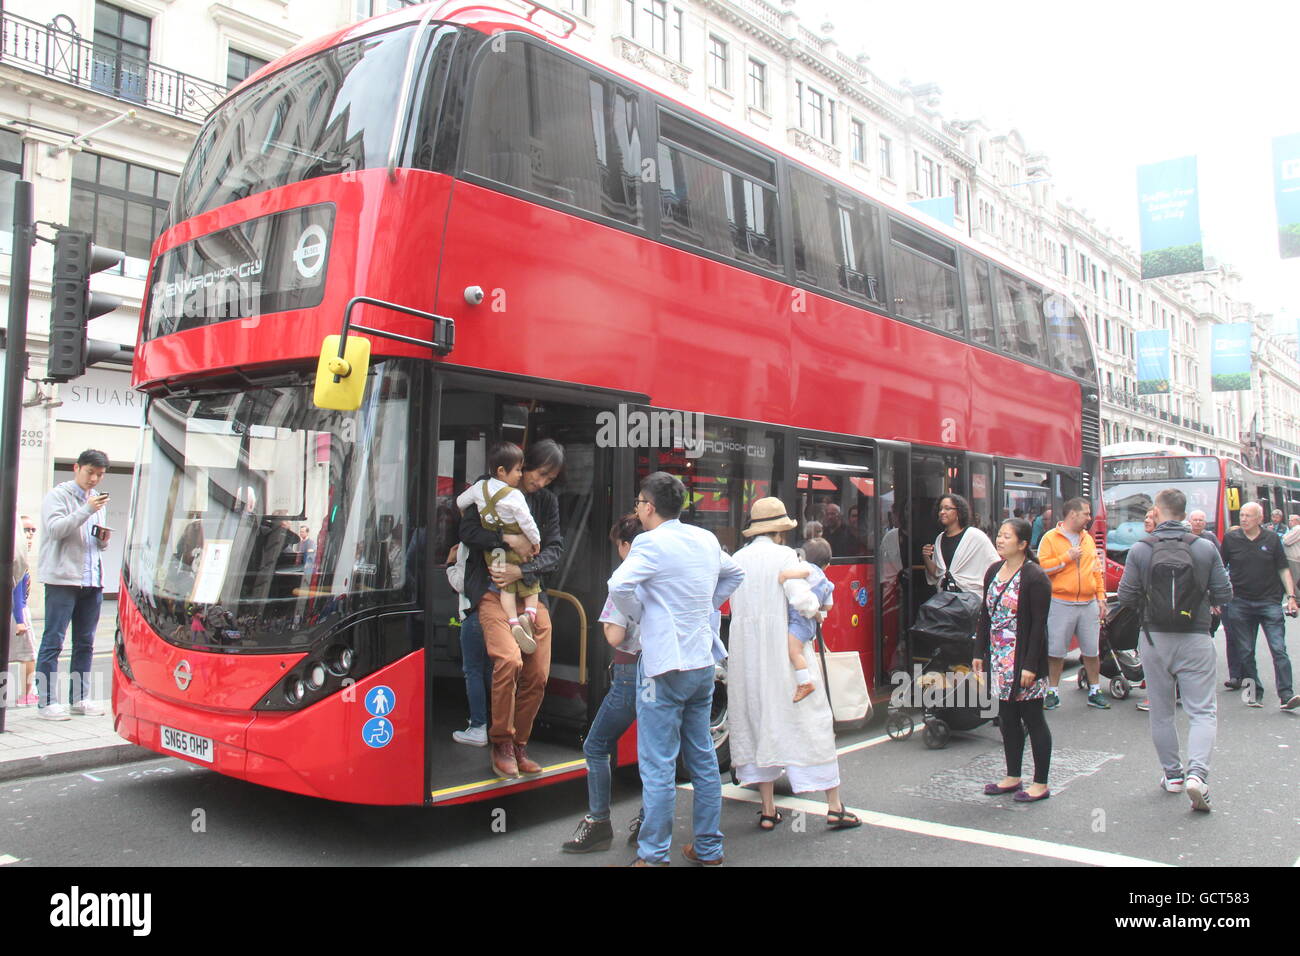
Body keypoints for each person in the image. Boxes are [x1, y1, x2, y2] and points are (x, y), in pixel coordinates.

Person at [607, 473, 744, 866]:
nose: (637, 508)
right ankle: (708, 847)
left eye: (638, 502)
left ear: (649, 506)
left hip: (662, 667)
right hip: (702, 662)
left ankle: (652, 856)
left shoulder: (650, 543)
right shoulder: (703, 538)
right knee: (702, 759)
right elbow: (735, 574)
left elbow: (619, 586)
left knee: (658, 765)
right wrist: (706, 609)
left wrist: (642, 615)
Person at [728, 497, 862, 835]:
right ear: (780, 531)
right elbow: (803, 601)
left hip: (749, 656)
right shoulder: (787, 558)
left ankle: (769, 810)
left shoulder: (738, 559)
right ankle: (834, 807)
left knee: (758, 721)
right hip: (784, 654)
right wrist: (819, 606)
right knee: (811, 720)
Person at [1117, 488, 1233, 811]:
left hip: (1154, 639)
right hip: (1195, 636)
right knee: (1202, 710)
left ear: (1157, 511)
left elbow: (1126, 596)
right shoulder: (1205, 548)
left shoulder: (1140, 549)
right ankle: (1198, 774)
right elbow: (1224, 594)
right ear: (1185, 515)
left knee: (1162, 710)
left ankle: (1173, 776)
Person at [458, 438, 565, 778]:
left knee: (537, 674)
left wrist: (524, 569)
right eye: (539, 473)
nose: (541, 482)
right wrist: (507, 539)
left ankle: (520, 745)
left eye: (550, 478)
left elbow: (555, 549)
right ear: (523, 465)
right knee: (508, 660)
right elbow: (466, 530)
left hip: (530, 591)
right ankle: (501, 742)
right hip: (492, 591)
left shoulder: (546, 502)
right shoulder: (487, 488)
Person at [562, 514, 647, 853]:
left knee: (596, 746)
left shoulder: (624, 579)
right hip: (666, 672)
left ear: (627, 545)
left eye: (619, 545)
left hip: (629, 674)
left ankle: (598, 822)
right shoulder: (667, 576)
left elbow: (615, 634)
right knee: (657, 753)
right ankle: (647, 821)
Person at [974, 518, 1053, 802]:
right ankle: (1013, 775)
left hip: (1024, 661)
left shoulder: (1035, 577)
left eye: (1007, 536)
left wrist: (1031, 665)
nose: (1000, 540)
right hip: (999, 659)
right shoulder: (994, 571)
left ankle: (1040, 782)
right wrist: (979, 652)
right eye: (999, 535)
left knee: (1033, 718)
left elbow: (1038, 625)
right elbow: (986, 614)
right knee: (1007, 719)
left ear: (1022, 544)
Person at [36, 450, 111, 720]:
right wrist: (87, 509)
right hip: (62, 579)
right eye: (90, 472)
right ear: (76, 468)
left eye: (99, 475)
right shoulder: (58, 495)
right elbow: (56, 529)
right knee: (53, 640)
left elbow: (93, 543)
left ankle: (79, 699)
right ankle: (46, 702)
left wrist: (103, 538)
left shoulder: (99, 501)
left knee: (85, 643)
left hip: (92, 579)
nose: (94, 479)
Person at [456, 441, 542, 653]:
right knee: (532, 585)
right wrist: (535, 541)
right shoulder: (514, 495)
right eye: (518, 470)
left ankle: (513, 622)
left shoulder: (478, 488)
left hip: (493, 553)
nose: (520, 475)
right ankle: (529, 615)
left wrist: (464, 511)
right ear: (502, 471)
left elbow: (460, 501)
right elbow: (527, 523)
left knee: (505, 587)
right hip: (515, 550)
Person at [1218, 502, 1299, 710]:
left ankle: (1286, 695)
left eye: (1248, 516)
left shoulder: (1272, 539)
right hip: (1240, 602)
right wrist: (1217, 596)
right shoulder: (1231, 539)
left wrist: (1291, 597)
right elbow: (1219, 568)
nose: (1243, 519)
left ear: (1259, 519)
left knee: (1278, 648)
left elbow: (1283, 569)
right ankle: (1253, 693)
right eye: (1242, 515)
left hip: (1269, 601)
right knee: (1245, 651)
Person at [1036, 497, 1109, 710]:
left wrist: (1101, 596)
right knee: (1056, 651)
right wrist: (1066, 557)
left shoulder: (1087, 538)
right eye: (1086, 513)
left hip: (1088, 603)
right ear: (1073, 514)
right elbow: (1041, 568)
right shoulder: (1050, 538)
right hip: (1060, 602)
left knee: (1091, 650)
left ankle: (1095, 690)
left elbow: (1096, 570)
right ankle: (1053, 691)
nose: (1089, 518)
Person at [777, 537, 834, 703]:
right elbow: (828, 607)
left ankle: (804, 682)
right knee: (799, 650)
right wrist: (818, 609)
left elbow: (803, 573)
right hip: (810, 625)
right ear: (828, 565)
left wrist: (785, 575)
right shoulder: (827, 582)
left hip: (799, 621)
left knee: (794, 651)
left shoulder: (807, 568)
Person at [446, 541, 489, 747]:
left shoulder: (468, 544)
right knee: (492, 671)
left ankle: (478, 726)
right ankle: (496, 724)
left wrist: (449, 565)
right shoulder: (497, 540)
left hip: (472, 614)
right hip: (494, 614)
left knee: (473, 671)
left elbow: (462, 583)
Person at [922, 493, 998, 594]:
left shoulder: (975, 536)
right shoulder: (939, 539)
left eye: (947, 508)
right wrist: (926, 557)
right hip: (945, 599)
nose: (942, 512)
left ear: (959, 512)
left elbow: (994, 564)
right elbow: (938, 573)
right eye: (940, 509)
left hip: (970, 600)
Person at [10, 517, 37, 706]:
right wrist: (20, 619)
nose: (29, 534)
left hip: (17, 610)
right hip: (18, 612)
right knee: (28, 654)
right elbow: (16, 591)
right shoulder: (18, 556)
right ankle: (27, 694)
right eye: (26, 529)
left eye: (33, 530)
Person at [1282, 515, 1300, 599]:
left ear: (1296, 521)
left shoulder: (1297, 529)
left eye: (1291, 520)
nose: (1289, 522)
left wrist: (1284, 536)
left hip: (1294, 557)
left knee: (1295, 579)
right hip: (1293, 557)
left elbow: (1286, 541)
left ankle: (1298, 598)